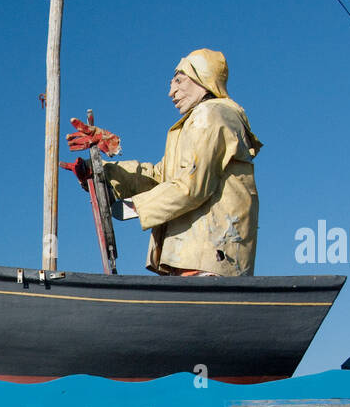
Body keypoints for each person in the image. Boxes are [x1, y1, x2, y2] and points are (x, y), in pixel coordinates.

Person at [67, 49, 263, 277]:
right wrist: (106, 173)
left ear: (203, 78)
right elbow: (161, 176)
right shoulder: (195, 121)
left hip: (210, 254)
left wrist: (133, 207)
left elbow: (192, 185)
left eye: (179, 81)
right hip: (196, 255)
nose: (171, 91)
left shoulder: (211, 115)